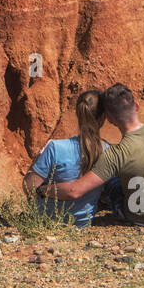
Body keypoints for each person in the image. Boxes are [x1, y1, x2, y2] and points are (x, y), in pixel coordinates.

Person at [39, 83, 144, 228]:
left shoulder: (115, 154)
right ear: (136, 106)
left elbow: (74, 191)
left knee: (108, 178)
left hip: (139, 218)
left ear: (109, 120)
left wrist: (42, 189)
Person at [22, 91, 107, 228]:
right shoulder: (109, 151)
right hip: (83, 222)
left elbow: (29, 186)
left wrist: (37, 160)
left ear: (78, 114)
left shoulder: (55, 147)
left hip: (44, 221)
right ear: (104, 117)